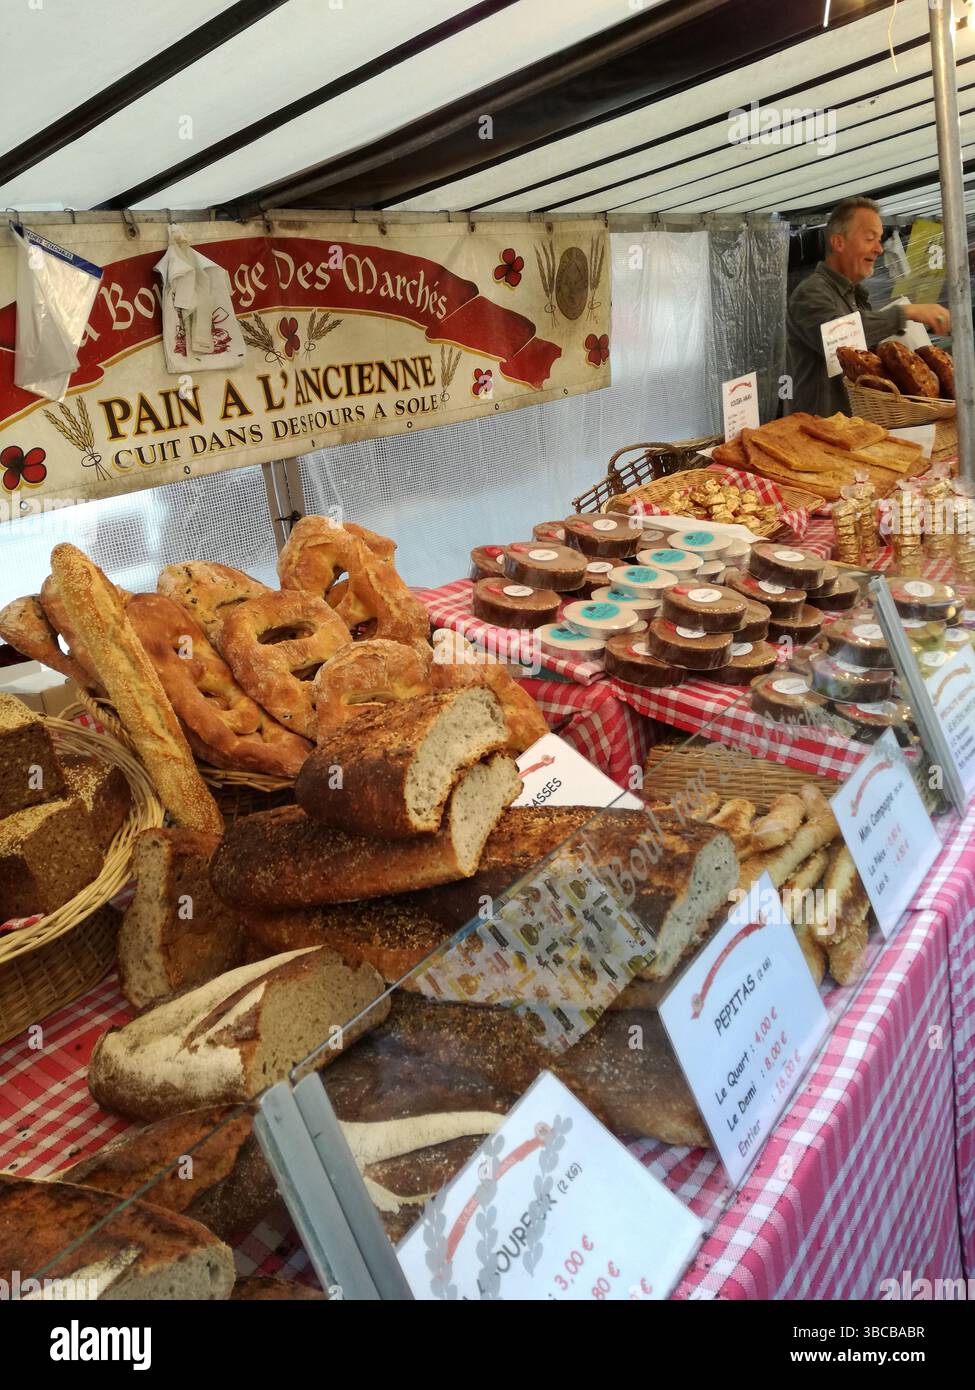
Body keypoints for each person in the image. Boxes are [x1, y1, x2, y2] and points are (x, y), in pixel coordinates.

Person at [785, 196, 950, 416]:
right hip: (819, 433)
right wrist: (905, 313)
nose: (879, 249)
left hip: (854, 429)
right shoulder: (811, 293)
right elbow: (841, 336)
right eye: (870, 238)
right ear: (838, 243)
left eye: (879, 239)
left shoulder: (857, 297)